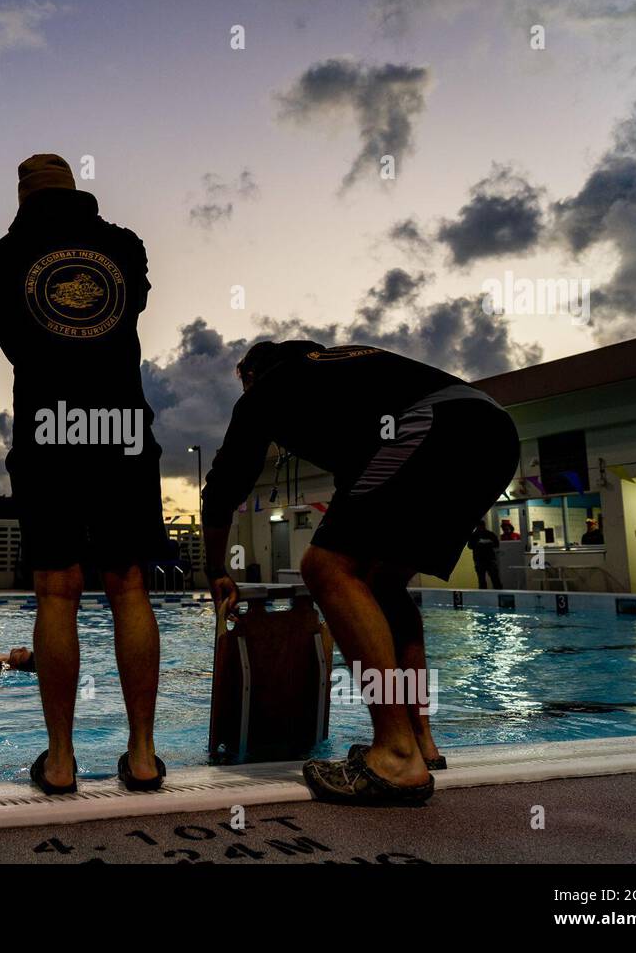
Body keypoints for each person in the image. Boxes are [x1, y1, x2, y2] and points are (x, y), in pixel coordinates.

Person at [202, 341, 519, 805]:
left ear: (250, 374)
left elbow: (223, 488)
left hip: (431, 428)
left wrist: (215, 569)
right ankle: (420, 742)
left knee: (323, 567)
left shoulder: (268, 388)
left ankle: (394, 754)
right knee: (384, 585)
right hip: (493, 434)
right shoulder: (345, 373)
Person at [0, 154, 171, 795]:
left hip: (48, 427)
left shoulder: (1, 257)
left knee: (56, 590)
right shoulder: (123, 245)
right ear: (76, 189)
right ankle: (142, 758)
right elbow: (133, 307)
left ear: (23, 196)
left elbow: (13, 341)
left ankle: (60, 762)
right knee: (129, 585)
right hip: (120, 426)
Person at [467, 520, 502, 588]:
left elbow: (496, 544)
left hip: (483, 559)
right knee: (490, 578)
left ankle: (485, 594)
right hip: (484, 559)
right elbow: (470, 546)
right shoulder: (476, 535)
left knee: (491, 578)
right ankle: (498, 593)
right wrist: (482, 543)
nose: (480, 528)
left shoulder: (478, 535)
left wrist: (484, 543)